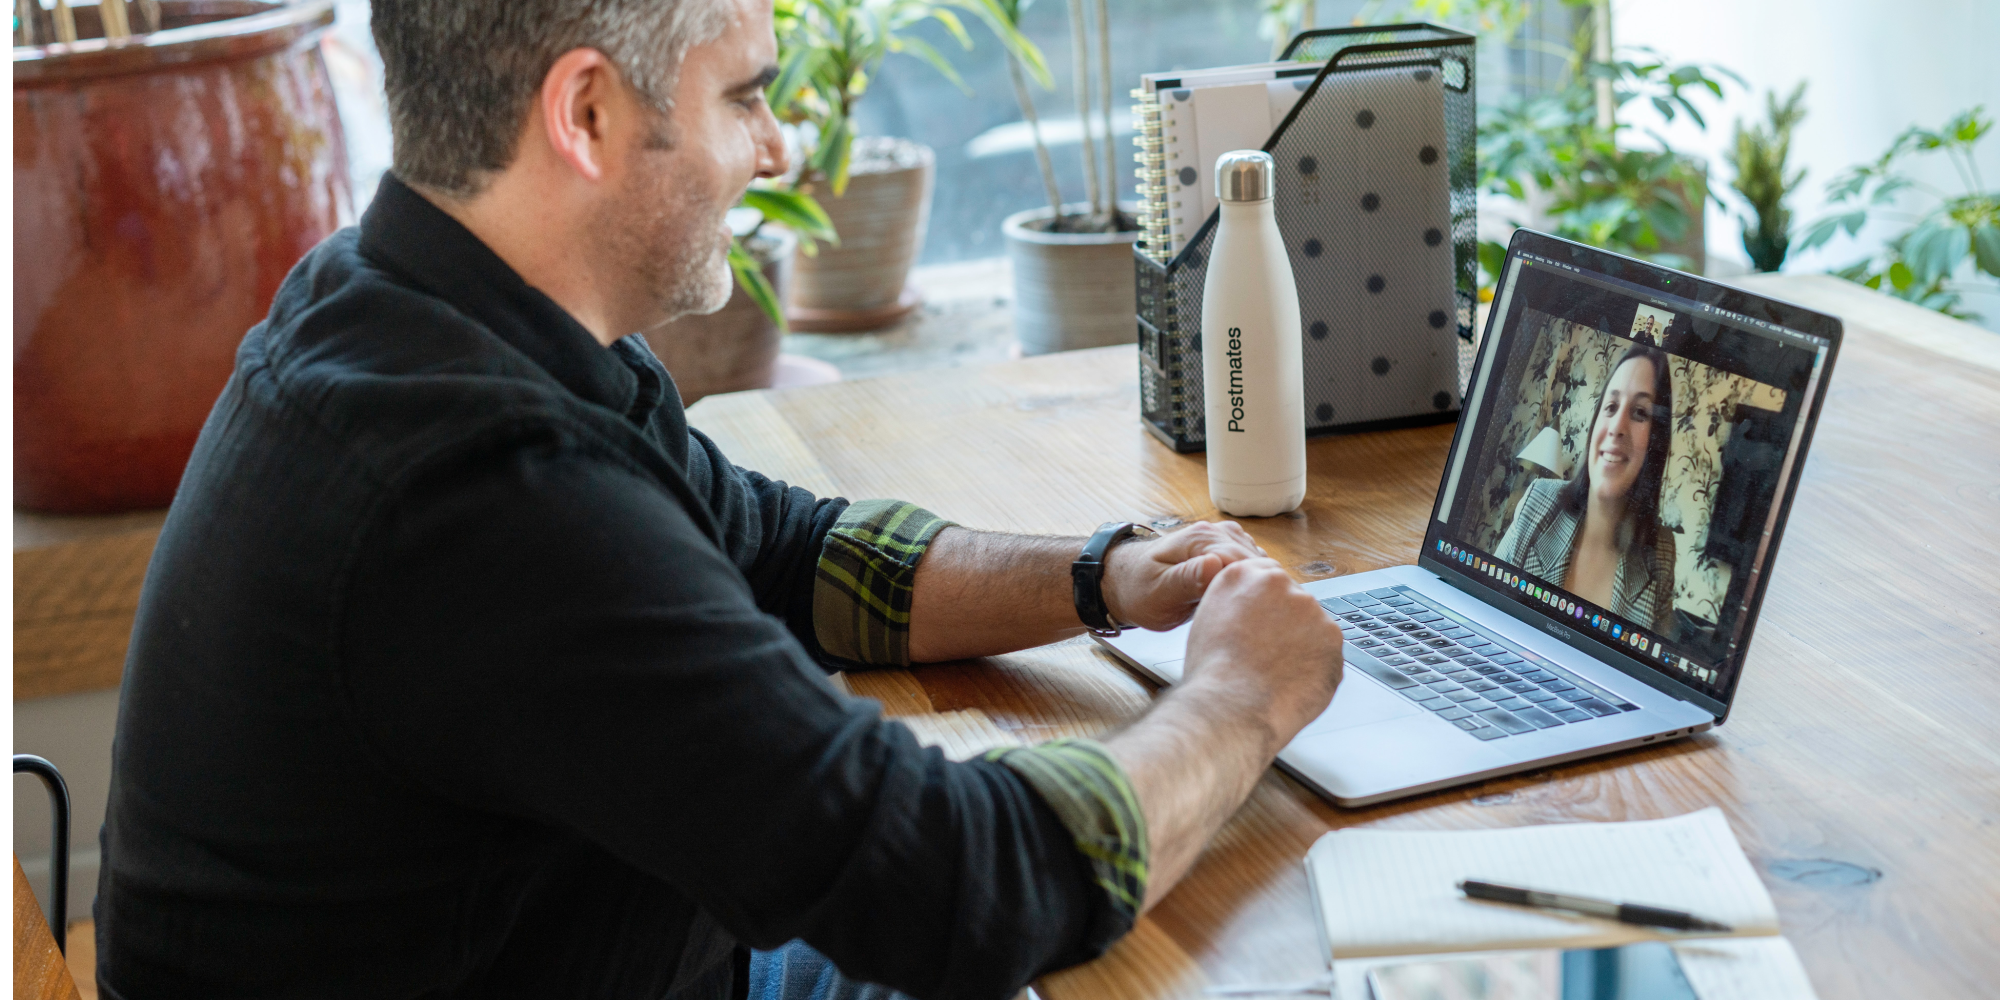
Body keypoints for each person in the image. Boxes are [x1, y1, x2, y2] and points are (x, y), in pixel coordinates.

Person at [91, 1, 1346, 997]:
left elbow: (782, 552)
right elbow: (963, 888)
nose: (779, 146)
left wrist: (1101, 574)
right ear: (585, 110)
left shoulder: (418, 303)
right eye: (744, 93)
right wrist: (1243, 694)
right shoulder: (486, 494)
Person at [1494, 343, 1677, 633]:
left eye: (1640, 412)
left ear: (1655, 442)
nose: (1617, 427)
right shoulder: (1538, 501)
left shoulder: (1661, 552)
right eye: (1611, 406)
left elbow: (1647, 670)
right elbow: (1483, 604)